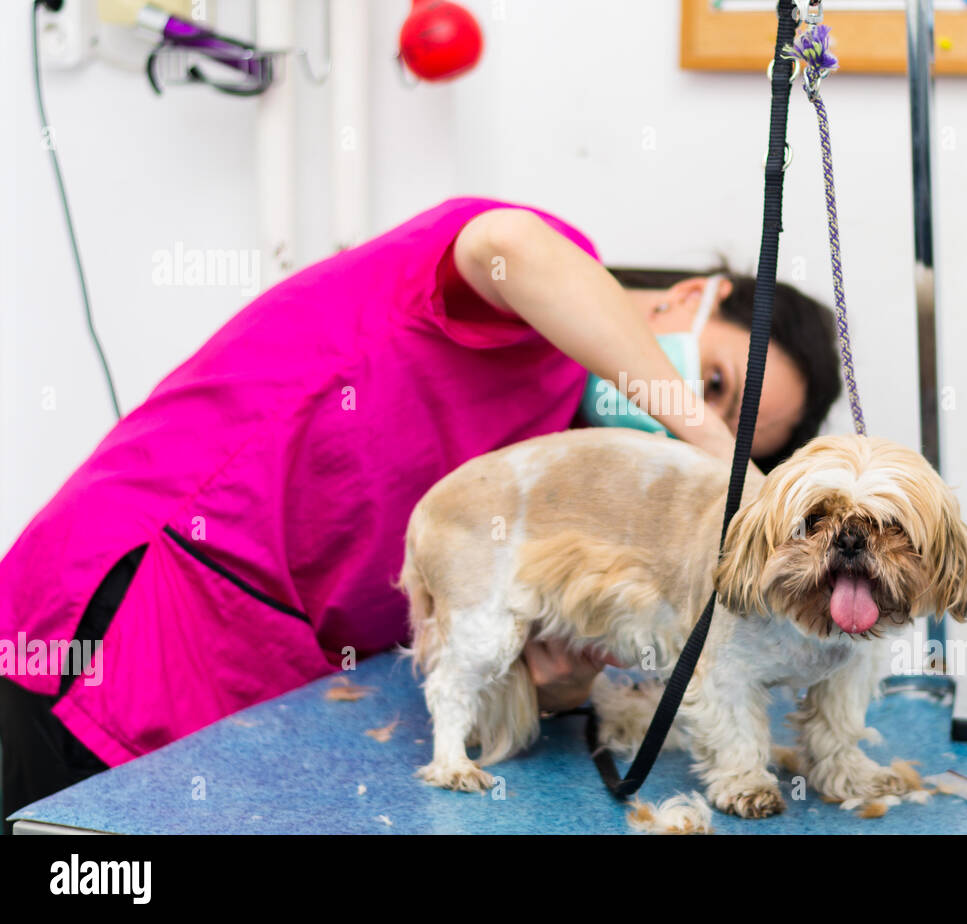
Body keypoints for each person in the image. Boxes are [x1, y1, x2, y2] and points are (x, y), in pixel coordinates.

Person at [0, 196, 841, 832]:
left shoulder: (580, 478)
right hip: (129, 608)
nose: (701, 424)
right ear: (692, 296)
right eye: (719, 384)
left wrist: (554, 682)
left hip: (266, 686)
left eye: (734, 428)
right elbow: (505, 246)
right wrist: (716, 448)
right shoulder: (533, 283)